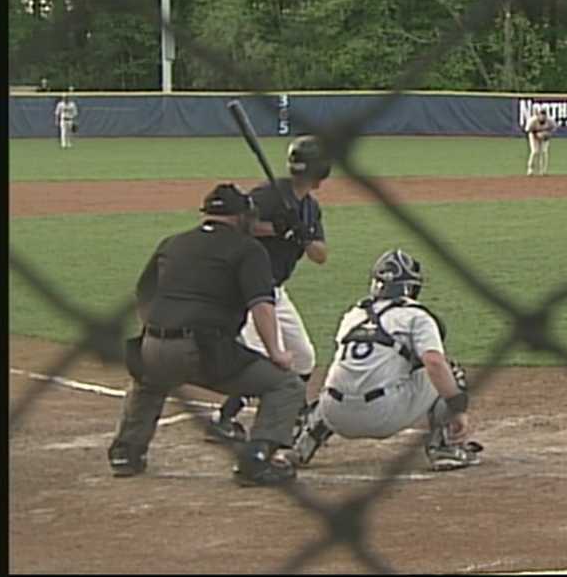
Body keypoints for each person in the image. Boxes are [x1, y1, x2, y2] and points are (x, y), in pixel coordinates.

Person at [106, 183, 305, 486]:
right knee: (286, 384)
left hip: (150, 347)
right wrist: (277, 353)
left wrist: (158, 331)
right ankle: (257, 459)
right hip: (203, 350)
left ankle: (126, 452)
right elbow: (262, 305)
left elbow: (143, 294)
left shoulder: (173, 243)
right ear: (242, 217)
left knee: (149, 381)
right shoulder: (248, 249)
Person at [290, 248, 483, 472]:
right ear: (411, 287)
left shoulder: (353, 315)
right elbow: (433, 362)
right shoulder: (416, 316)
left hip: (334, 414)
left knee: (341, 382)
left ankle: (302, 444)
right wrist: (458, 409)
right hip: (383, 414)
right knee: (448, 370)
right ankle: (446, 448)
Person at [206, 135, 331, 443]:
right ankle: (223, 418)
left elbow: (320, 255)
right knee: (259, 359)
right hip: (245, 288)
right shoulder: (268, 194)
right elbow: (235, 225)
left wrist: (301, 235)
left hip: (274, 289)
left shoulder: (309, 208)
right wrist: (276, 228)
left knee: (303, 356)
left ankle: (295, 409)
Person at [524, 108, 558, 176]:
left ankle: (543, 171)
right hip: (533, 135)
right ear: (538, 115)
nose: (542, 117)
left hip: (545, 136)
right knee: (534, 151)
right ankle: (530, 169)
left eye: (544, 115)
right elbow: (528, 130)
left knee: (544, 152)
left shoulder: (550, 121)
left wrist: (547, 134)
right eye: (541, 115)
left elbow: (554, 129)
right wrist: (537, 135)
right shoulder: (532, 121)